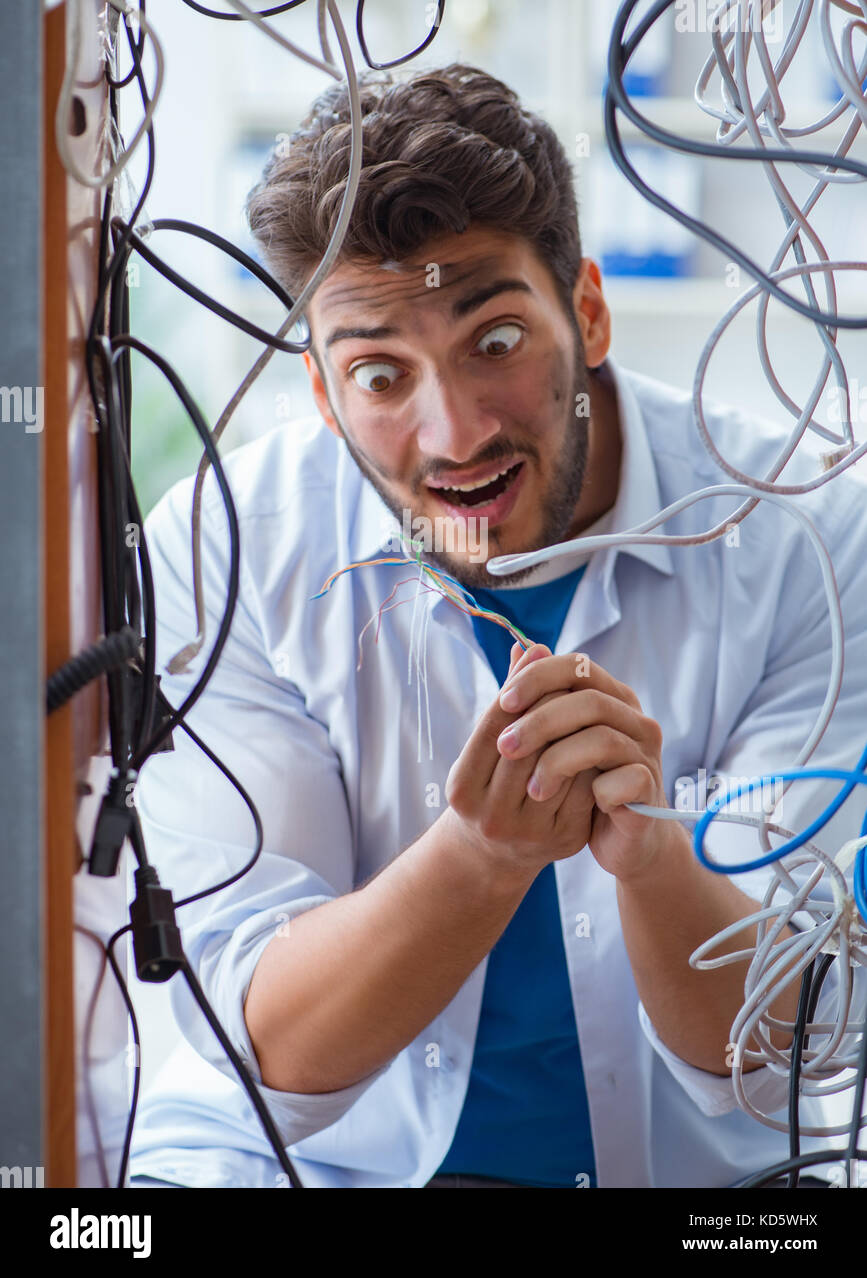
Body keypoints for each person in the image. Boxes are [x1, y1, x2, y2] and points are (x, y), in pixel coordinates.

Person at [129, 64, 867, 1189]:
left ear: (589, 311)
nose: (455, 431)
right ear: (324, 395)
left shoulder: (805, 525)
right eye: (380, 372)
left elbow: (773, 1049)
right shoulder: (221, 546)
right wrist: (480, 857)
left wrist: (656, 857)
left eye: (496, 340)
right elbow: (270, 1049)